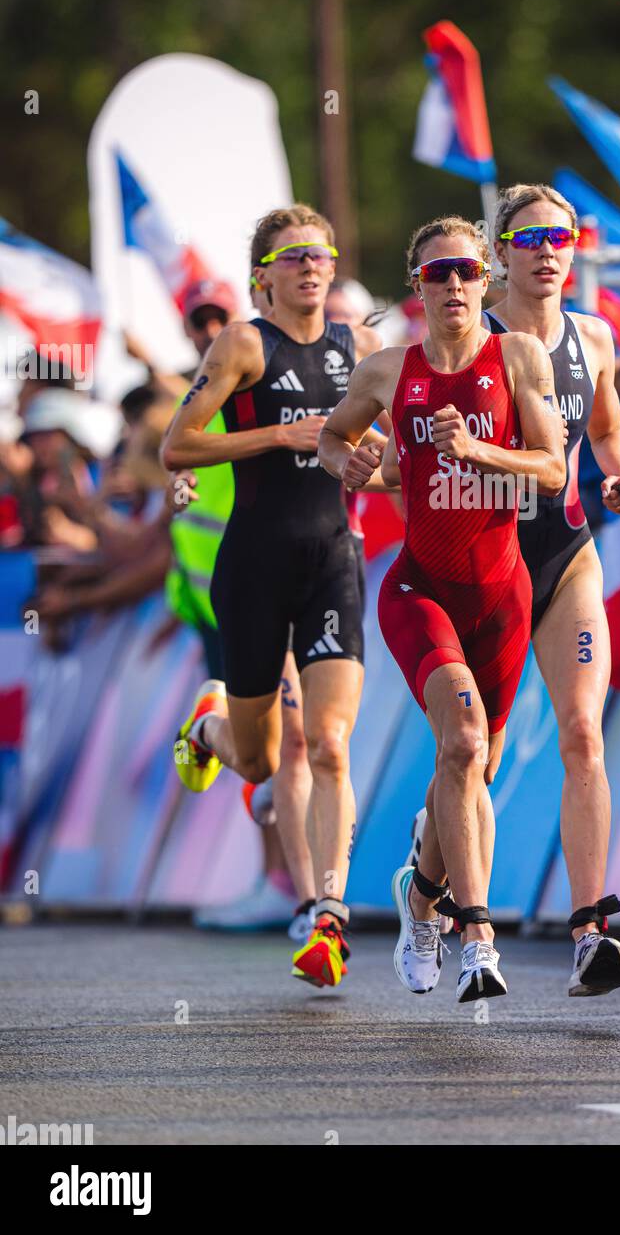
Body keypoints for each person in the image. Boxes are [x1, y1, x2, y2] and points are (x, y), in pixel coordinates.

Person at [392, 185, 620, 997]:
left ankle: (590, 933)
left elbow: (601, 425)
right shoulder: (472, 336)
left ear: (574, 250)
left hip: (564, 555)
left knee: (583, 733)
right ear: (499, 254)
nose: (545, 251)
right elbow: (406, 447)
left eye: (559, 237)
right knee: (475, 758)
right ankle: (425, 895)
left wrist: (618, 476)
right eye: (528, 237)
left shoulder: (595, 337)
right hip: (480, 564)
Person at [318, 213, 565, 1002]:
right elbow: (334, 440)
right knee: (459, 742)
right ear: (417, 287)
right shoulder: (387, 371)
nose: (453, 285)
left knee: (473, 767)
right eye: (437, 274)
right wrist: (350, 463)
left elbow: (555, 470)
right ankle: (478, 937)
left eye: (465, 271)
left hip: (502, 595)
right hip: (420, 589)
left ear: (486, 279)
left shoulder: (519, 355)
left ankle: (419, 902)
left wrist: (478, 450)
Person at [161, 204, 381, 990]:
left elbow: (382, 465)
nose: (311, 266)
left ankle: (326, 916)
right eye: (293, 257)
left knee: (325, 743)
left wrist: (379, 462)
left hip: (332, 560)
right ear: (265, 276)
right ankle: (211, 728)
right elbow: (177, 444)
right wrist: (281, 436)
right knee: (259, 755)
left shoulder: (363, 349)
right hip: (252, 565)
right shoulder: (245, 343)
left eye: (320, 254)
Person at [165, 279, 317, 940]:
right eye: (196, 323)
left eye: (216, 319)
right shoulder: (196, 397)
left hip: (284, 576)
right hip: (225, 599)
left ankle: (294, 887)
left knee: (294, 743)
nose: (206, 332)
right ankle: (283, 884)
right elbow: (183, 457)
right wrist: (178, 475)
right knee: (281, 744)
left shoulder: (266, 376)